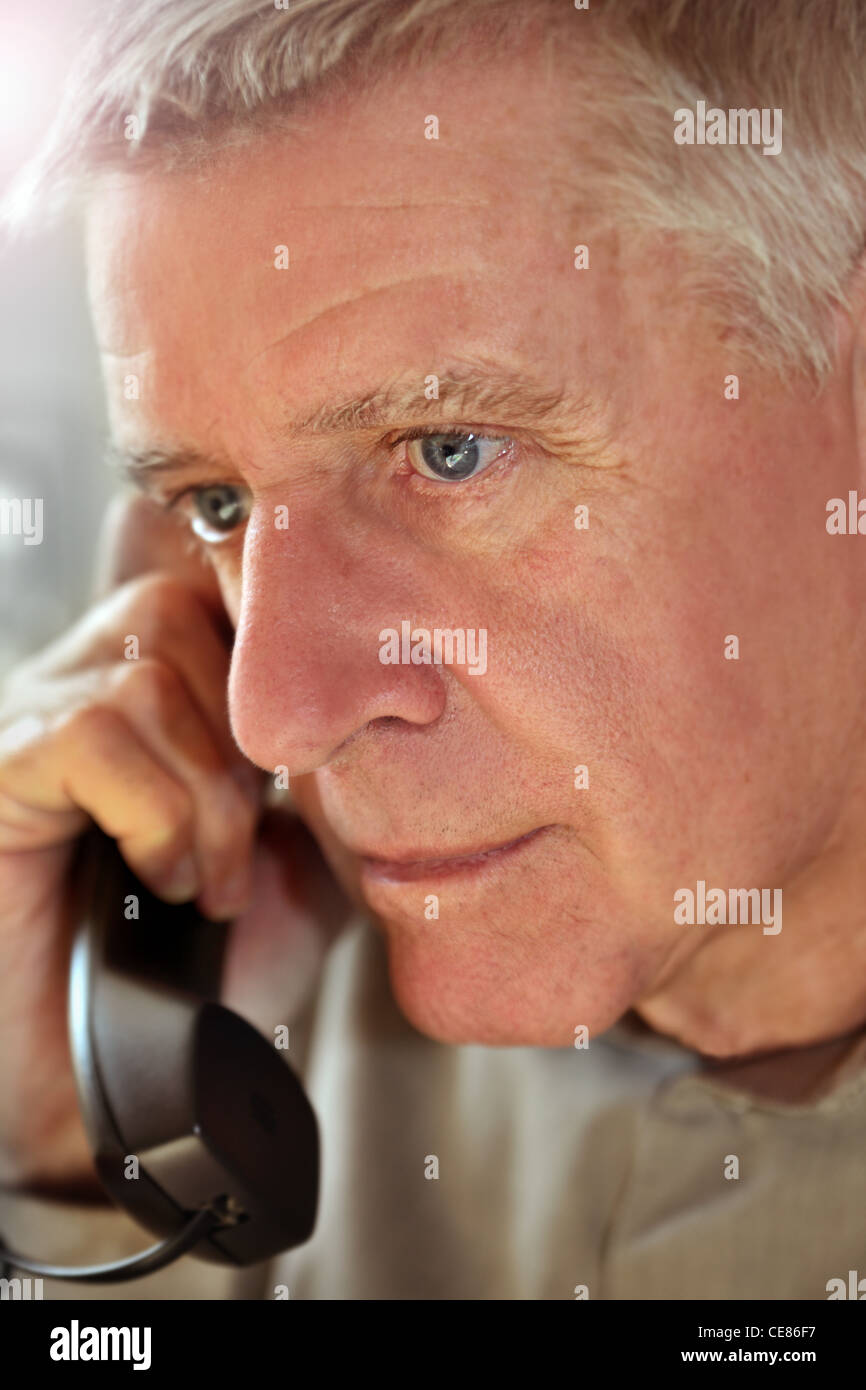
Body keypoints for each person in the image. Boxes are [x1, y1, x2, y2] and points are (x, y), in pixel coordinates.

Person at [1, 0, 866, 1300]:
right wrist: (77, 1163)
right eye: (218, 503)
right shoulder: (235, 1028)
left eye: (448, 451)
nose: (272, 716)